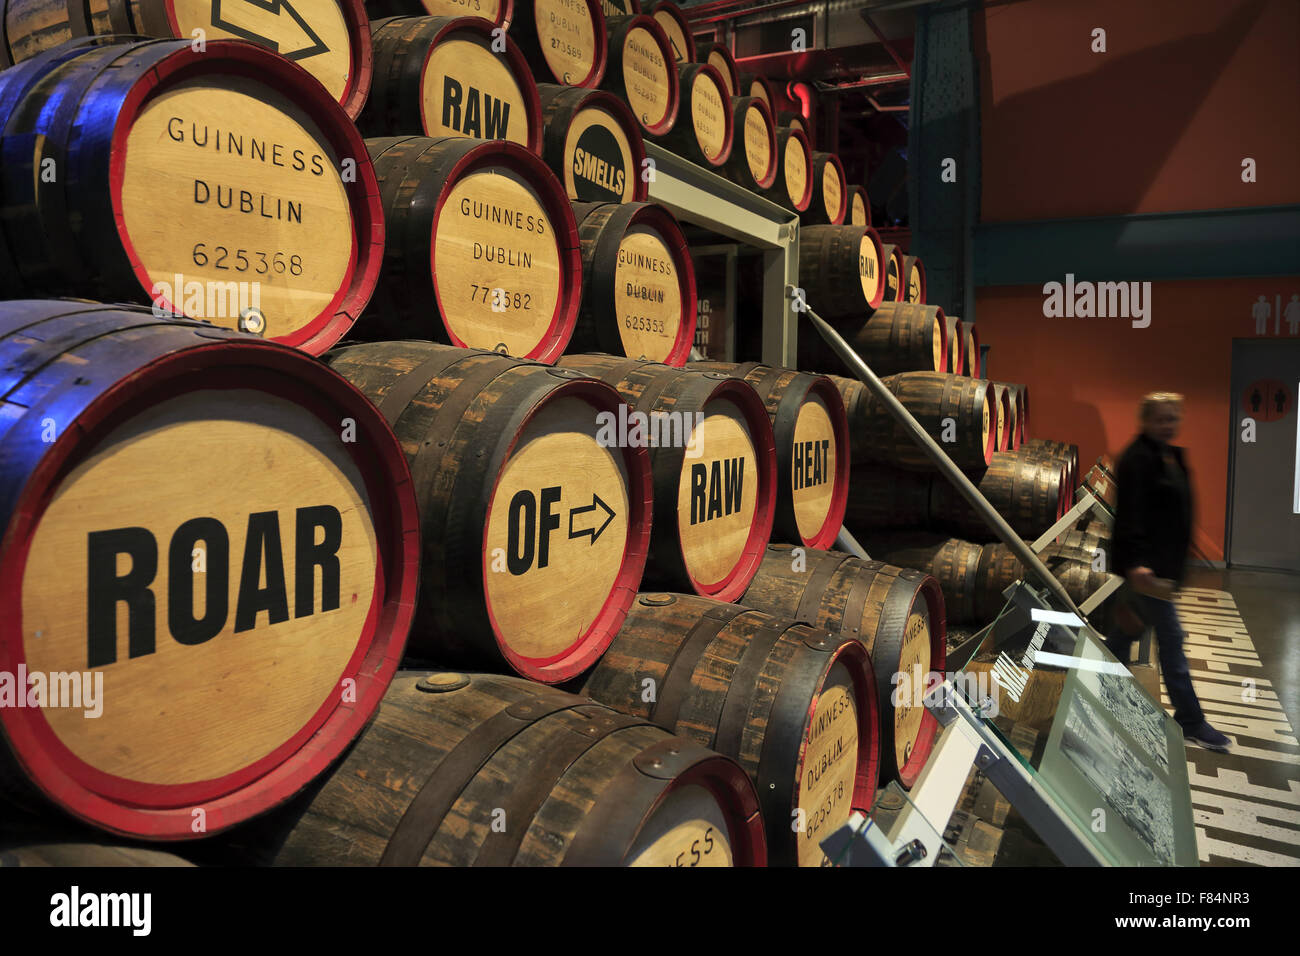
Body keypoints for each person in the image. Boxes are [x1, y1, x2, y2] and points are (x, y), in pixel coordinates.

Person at [1105, 392, 1233, 752]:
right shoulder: (1137, 459)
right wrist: (1138, 563)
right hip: (1149, 571)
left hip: (1162, 570)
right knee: (1172, 640)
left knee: (1125, 632)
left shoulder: (1167, 455)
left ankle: (1092, 678)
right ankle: (1191, 720)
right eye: (1161, 419)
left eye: (1173, 418)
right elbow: (1130, 515)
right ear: (1145, 420)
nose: (1168, 425)